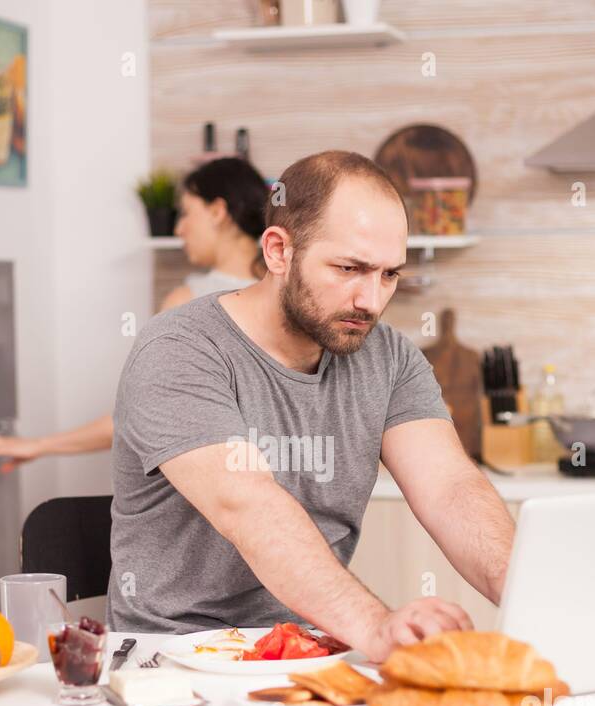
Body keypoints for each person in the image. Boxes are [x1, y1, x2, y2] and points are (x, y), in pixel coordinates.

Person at [108, 150, 516, 663]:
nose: (370, 299)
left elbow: (451, 490)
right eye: (349, 268)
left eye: (389, 275)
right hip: (170, 658)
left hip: (310, 650)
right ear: (278, 251)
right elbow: (247, 504)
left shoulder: (388, 357)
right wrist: (377, 626)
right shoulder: (180, 349)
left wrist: (539, 599)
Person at [0, 157, 270, 471]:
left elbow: (137, 417)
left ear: (217, 211)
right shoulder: (288, 296)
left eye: (186, 213)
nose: (179, 228)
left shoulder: (187, 303)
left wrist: (38, 445)